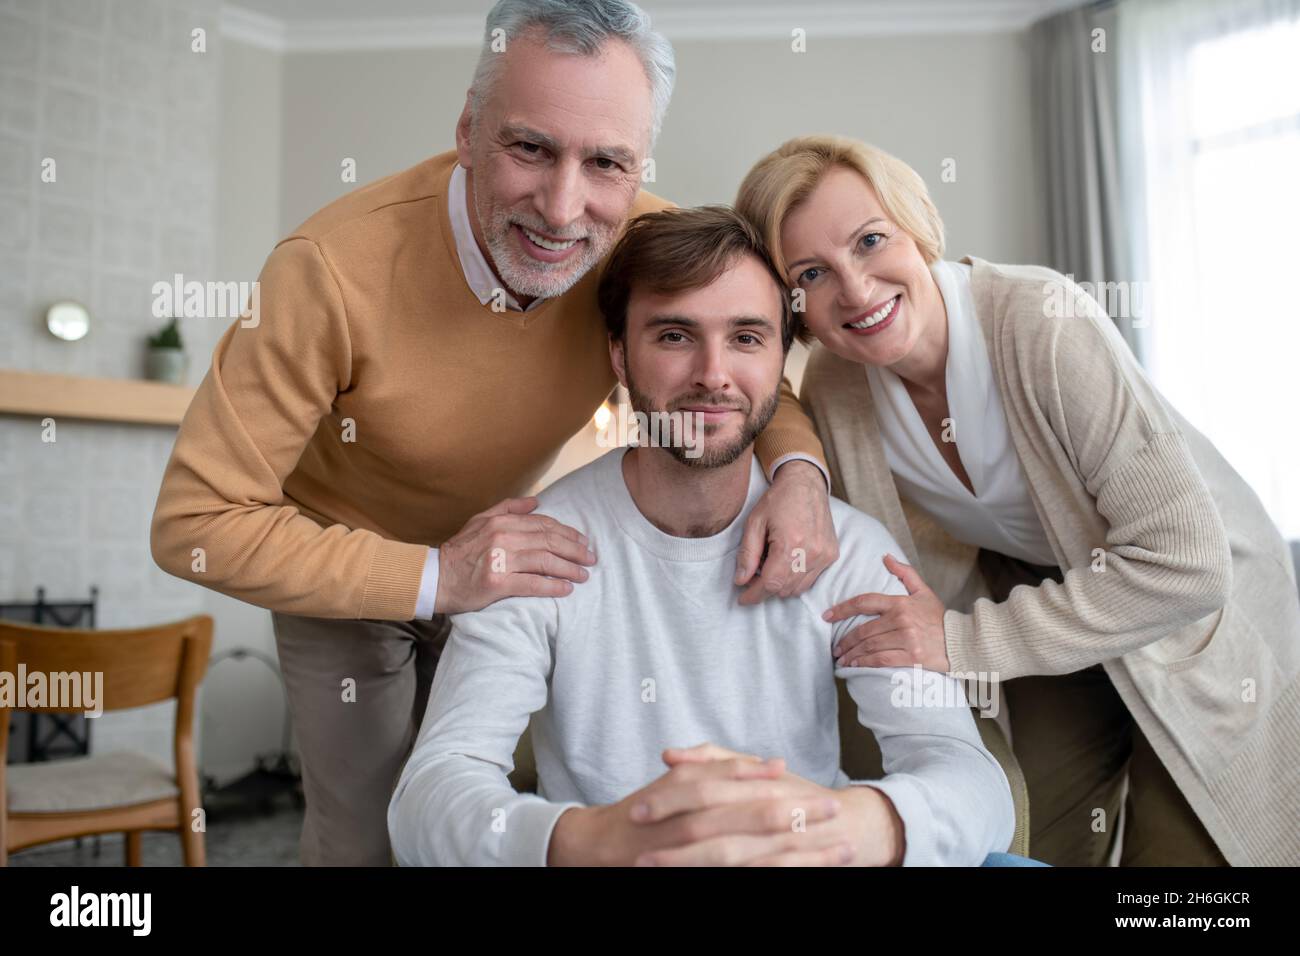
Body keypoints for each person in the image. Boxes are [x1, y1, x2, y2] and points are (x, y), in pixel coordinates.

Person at [150, 1, 838, 866]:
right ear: (470, 129)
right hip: (345, 565)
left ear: (637, 165)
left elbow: (749, 367)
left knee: (489, 815)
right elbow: (193, 524)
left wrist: (802, 477)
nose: (563, 208)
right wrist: (437, 574)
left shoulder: (640, 243)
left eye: (606, 163)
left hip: (511, 555)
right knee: (368, 832)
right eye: (529, 148)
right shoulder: (326, 272)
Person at [388, 205, 1018, 867]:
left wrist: (858, 827)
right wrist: (587, 841)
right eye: (674, 336)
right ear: (619, 356)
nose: (713, 374)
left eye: (746, 338)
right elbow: (428, 796)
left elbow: (973, 783)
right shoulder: (537, 549)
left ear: (779, 361)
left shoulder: (844, 547)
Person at [734, 134, 1300, 866]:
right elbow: (761, 388)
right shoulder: (839, 387)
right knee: (1028, 840)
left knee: (1186, 884)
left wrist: (962, 642)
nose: (857, 289)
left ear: (917, 222)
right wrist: (797, 475)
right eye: (813, 272)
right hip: (1037, 607)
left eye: (871, 240)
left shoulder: (1042, 323)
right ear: (793, 304)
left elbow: (1190, 566)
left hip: (1192, 613)